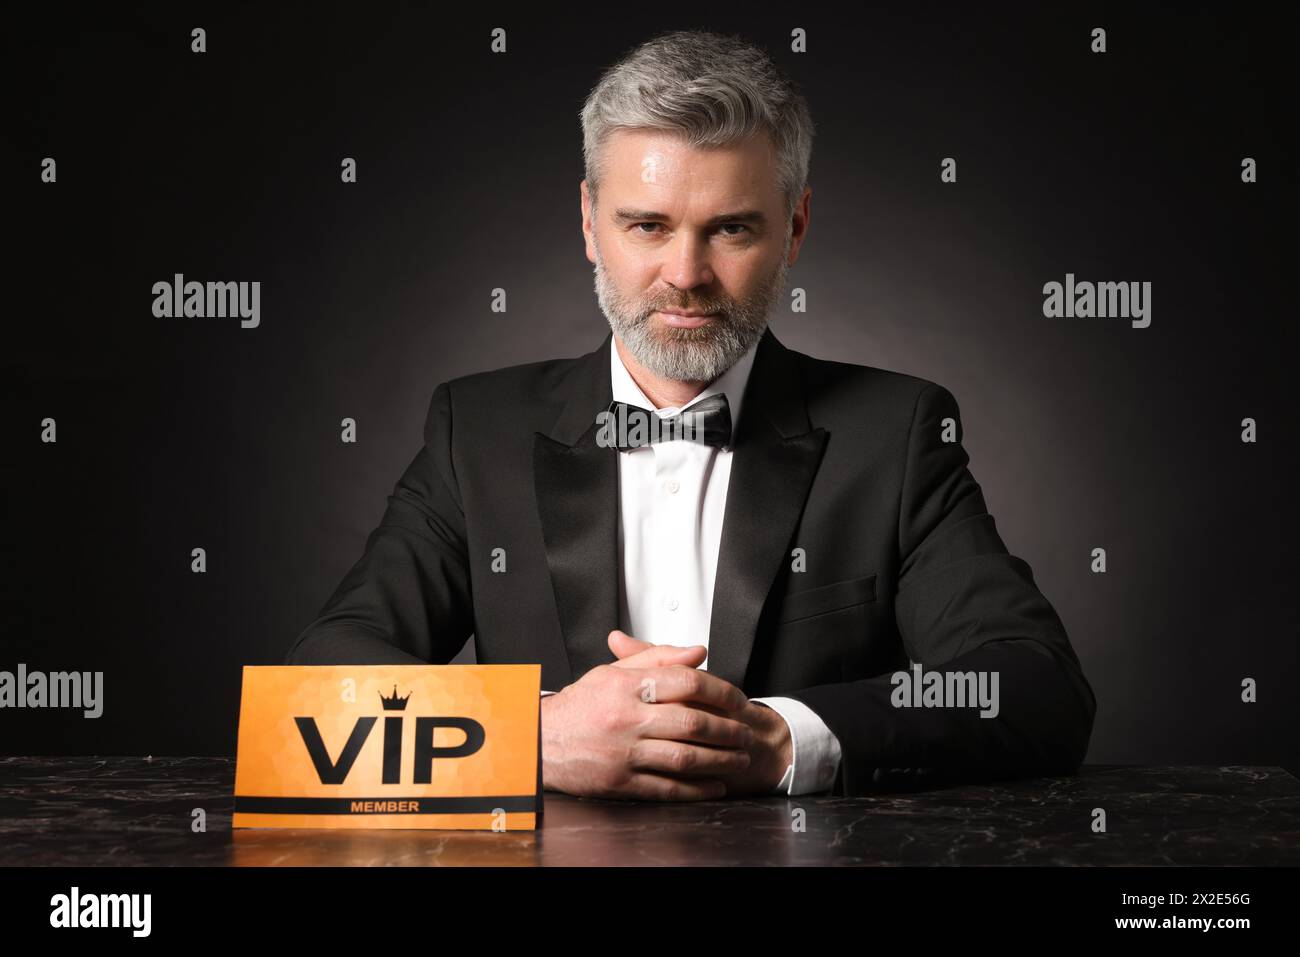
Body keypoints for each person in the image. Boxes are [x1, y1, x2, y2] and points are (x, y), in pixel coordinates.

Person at [285, 29, 1096, 800]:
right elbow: (321, 681)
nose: (685, 274)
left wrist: (782, 740)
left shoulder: (898, 431)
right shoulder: (476, 429)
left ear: (795, 229)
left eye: (732, 229)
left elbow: (1034, 686)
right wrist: (531, 737)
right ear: (589, 224)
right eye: (647, 225)